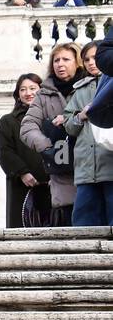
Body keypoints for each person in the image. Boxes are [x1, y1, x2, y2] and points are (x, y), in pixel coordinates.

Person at [21, 42, 85, 227]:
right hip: (62, 166)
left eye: (66, 59)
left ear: (77, 62)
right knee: (68, 221)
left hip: (89, 163)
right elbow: (27, 127)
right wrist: (46, 146)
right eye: (56, 60)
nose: (60, 64)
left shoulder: (89, 87)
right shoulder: (43, 94)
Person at [64, 42, 112, 226]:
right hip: (86, 168)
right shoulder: (81, 90)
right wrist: (81, 116)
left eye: (95, 58)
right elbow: (69, 125)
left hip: (109, 162)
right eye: (86, 59)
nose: (92, 63)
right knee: (83, 221)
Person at [0, 74, 48, 229]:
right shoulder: (8, 121)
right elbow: (4, 151)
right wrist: (22, 172)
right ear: (18, 94)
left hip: (52, 183)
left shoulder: (51, 117)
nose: (28, 93)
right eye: (23, 89)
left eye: (33, 88)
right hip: (22, 184)